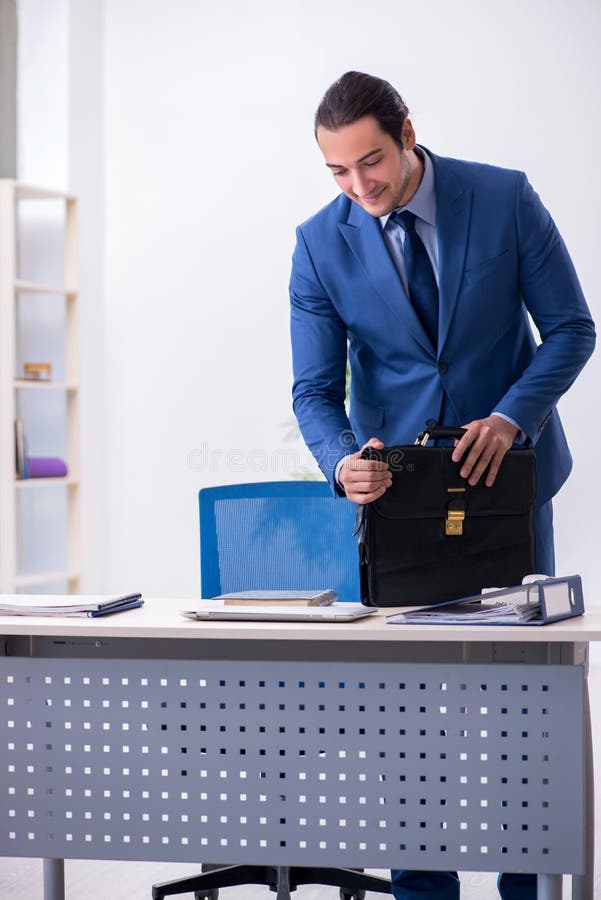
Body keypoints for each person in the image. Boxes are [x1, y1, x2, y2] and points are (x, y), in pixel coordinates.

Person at [289, 71, 595, 900]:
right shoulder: (320, 242)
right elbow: (313, 391)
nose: (361, 186)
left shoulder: (501, 199)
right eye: (339, 173)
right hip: (401, 503)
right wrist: (340, 459)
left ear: (407, 131)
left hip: (508, 490)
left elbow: (571, 327)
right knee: (410, 726)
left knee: (520, 720)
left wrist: (511, 416)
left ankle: (525, 892)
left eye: (372, 162)